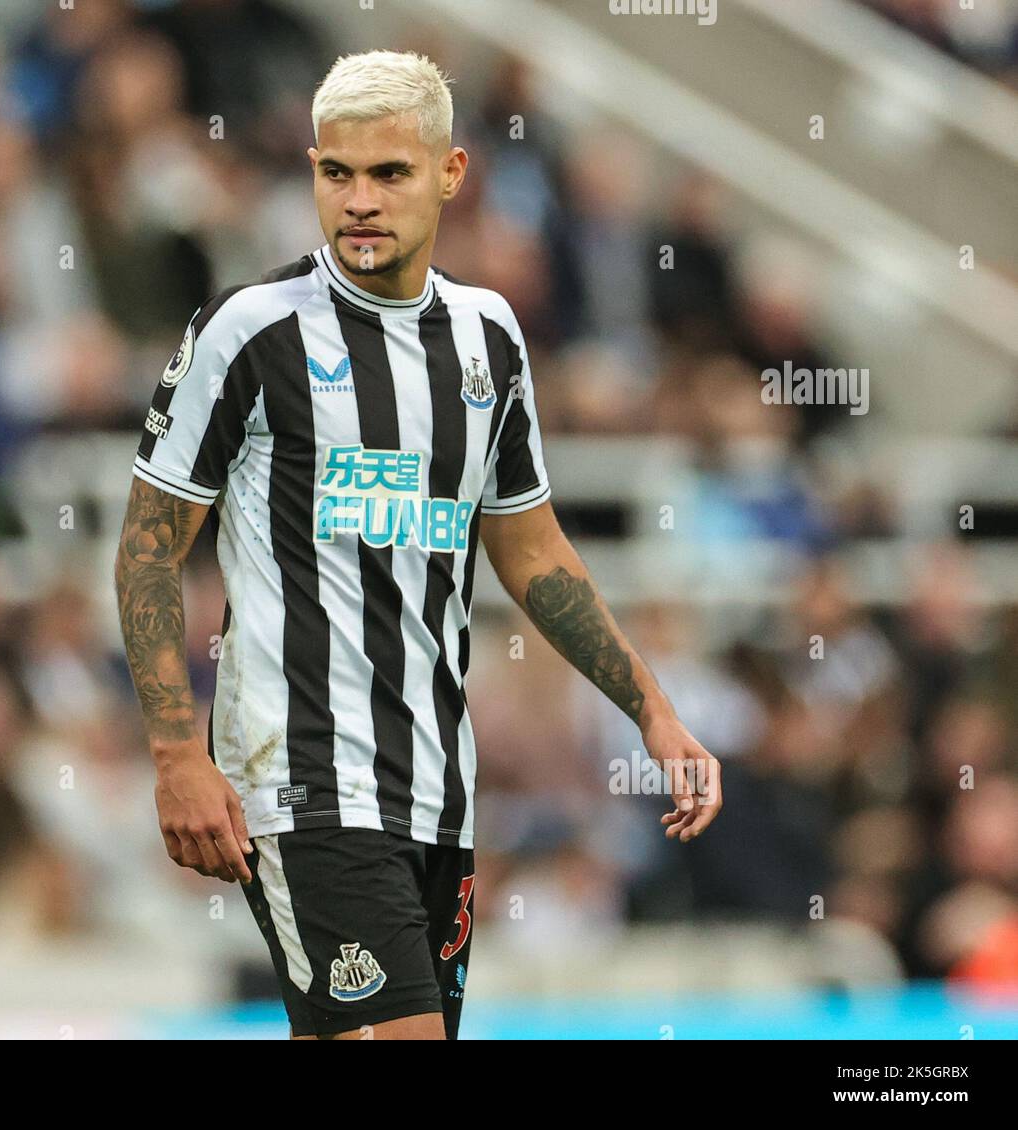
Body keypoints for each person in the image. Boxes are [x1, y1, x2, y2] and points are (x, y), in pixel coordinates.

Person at [114, 49, 722, 1041]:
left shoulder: (490, 339)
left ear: (449, 174)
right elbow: (146, 548)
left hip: (436, 785)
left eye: (388, 173)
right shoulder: (250, 332)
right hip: (301, 776)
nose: (358, 200)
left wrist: (652, 710)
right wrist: (177, 751)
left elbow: (532, 553)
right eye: (335, 172)